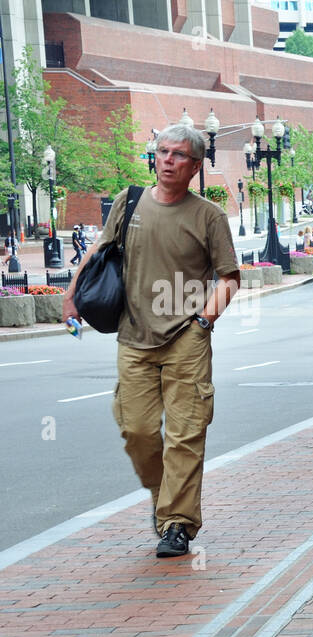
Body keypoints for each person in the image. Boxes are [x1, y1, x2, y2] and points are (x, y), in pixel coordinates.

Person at [61, 122, 240, 558]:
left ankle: (177, 523)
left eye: (178, 155)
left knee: (185, 434)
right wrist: (70, 295)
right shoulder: (131, 200)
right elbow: (101, 248)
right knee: (137, 430)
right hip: (134, 336)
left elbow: (230, 278)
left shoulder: (208, 216)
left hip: (186, 339)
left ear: (195, 165)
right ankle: (166, 500)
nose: (167, 161)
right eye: (162, 152)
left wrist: (204, 321)